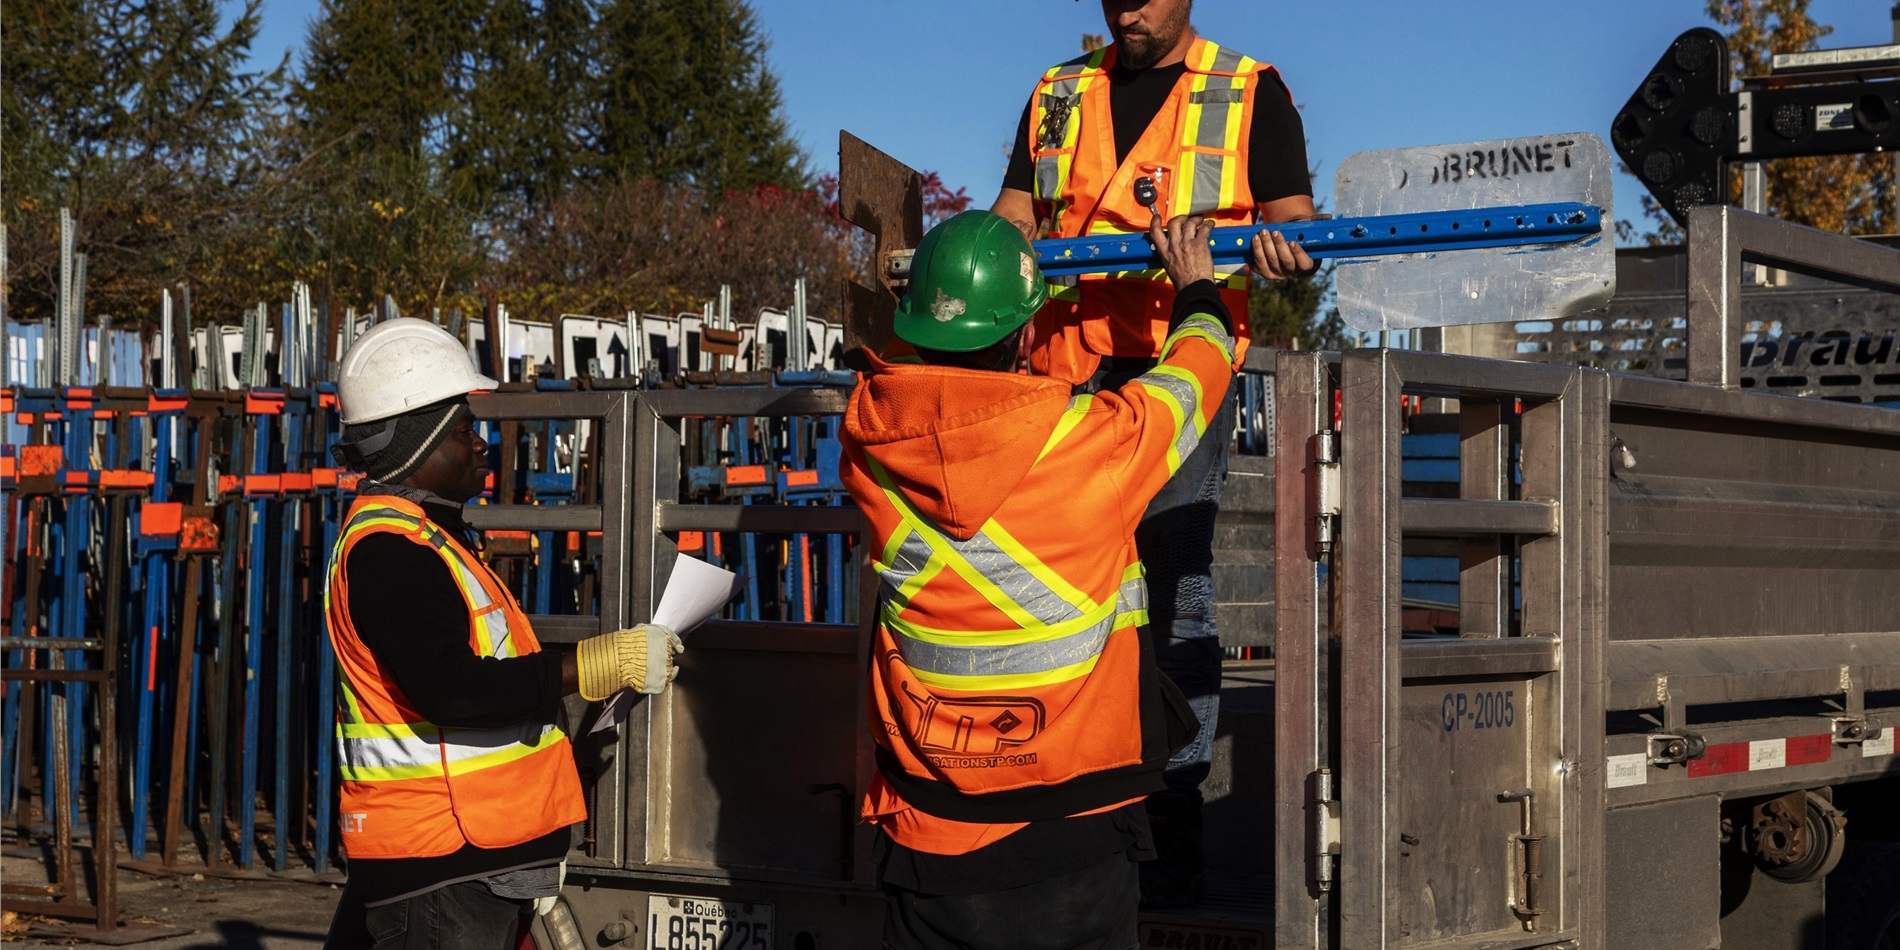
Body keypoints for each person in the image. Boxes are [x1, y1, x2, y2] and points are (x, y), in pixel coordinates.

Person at [991, 0, 1320, 904]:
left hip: (1184, 366)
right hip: (1065, 371)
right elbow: (1014, 210)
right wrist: (1008, 243)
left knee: (1177, 580)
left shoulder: (1251, 93)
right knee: (1060, 580)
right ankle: (1068, 788)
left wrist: (1287, 249)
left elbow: (1296, 221)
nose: (1128, 11)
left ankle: (1172, 809)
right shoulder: (1059, 92)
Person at [841, 209, 1235, 949]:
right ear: (1026, 337)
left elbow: (910, 390)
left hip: (927, 833)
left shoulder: (867, 443)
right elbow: (1195, 379)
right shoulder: (1099, 445)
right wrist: (1198, 289)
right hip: (1074, 840)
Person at [320, 317, 683, 949]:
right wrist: (599, 665)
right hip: (444, 863)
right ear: (416, 446)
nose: (481, 443)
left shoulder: (430, 539)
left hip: (468, 860)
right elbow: (452, 691)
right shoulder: (391, 553)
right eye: (464, 431)